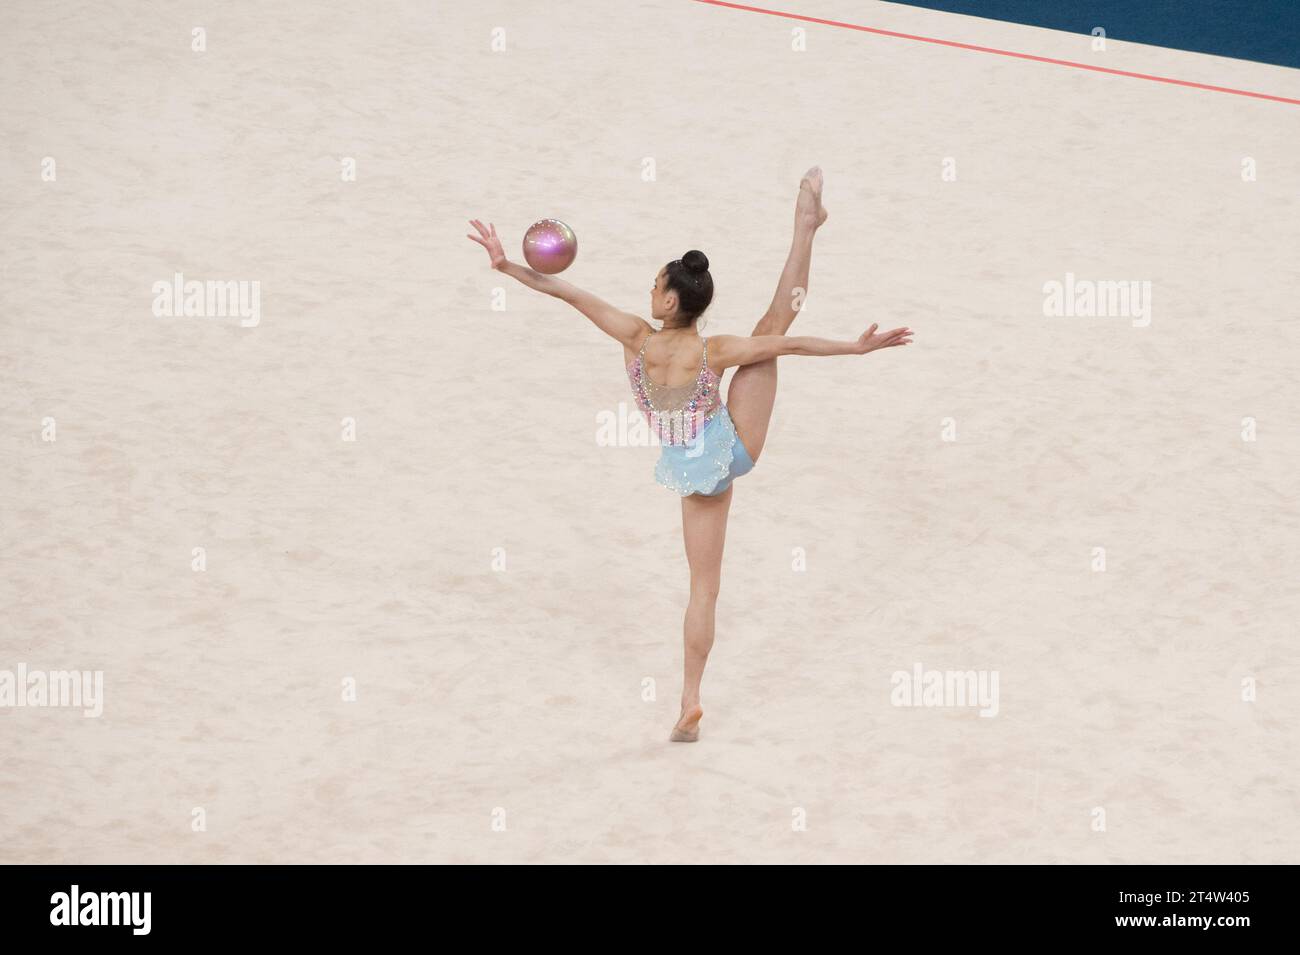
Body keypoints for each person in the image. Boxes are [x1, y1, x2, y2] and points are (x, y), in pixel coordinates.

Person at [467, 168, 913, 741]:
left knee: (702, 587)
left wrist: (506, 265)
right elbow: (792, 342)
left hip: (695, 469)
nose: (649, 291)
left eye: (656, 285)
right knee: (773, 324)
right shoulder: (715, 349)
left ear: (671, 299)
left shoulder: (635, 336)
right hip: (734, 448)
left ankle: (689, 701)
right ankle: (806, 227)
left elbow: (565, 291)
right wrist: (854, 348)